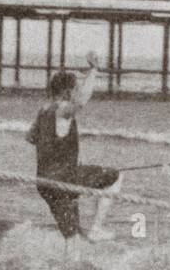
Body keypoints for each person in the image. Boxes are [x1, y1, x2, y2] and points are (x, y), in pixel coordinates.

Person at [26, 52, 121, 245]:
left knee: (72, 236)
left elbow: (30, 138)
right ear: (68, 91)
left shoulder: (43, 111)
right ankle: (97, 228)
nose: (77, 91)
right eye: (75, 88)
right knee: (115, 177)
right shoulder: (63, 110)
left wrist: (60, 152)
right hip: (63, 180)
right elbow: (81, 102)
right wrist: (94, 70)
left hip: (44, 183)